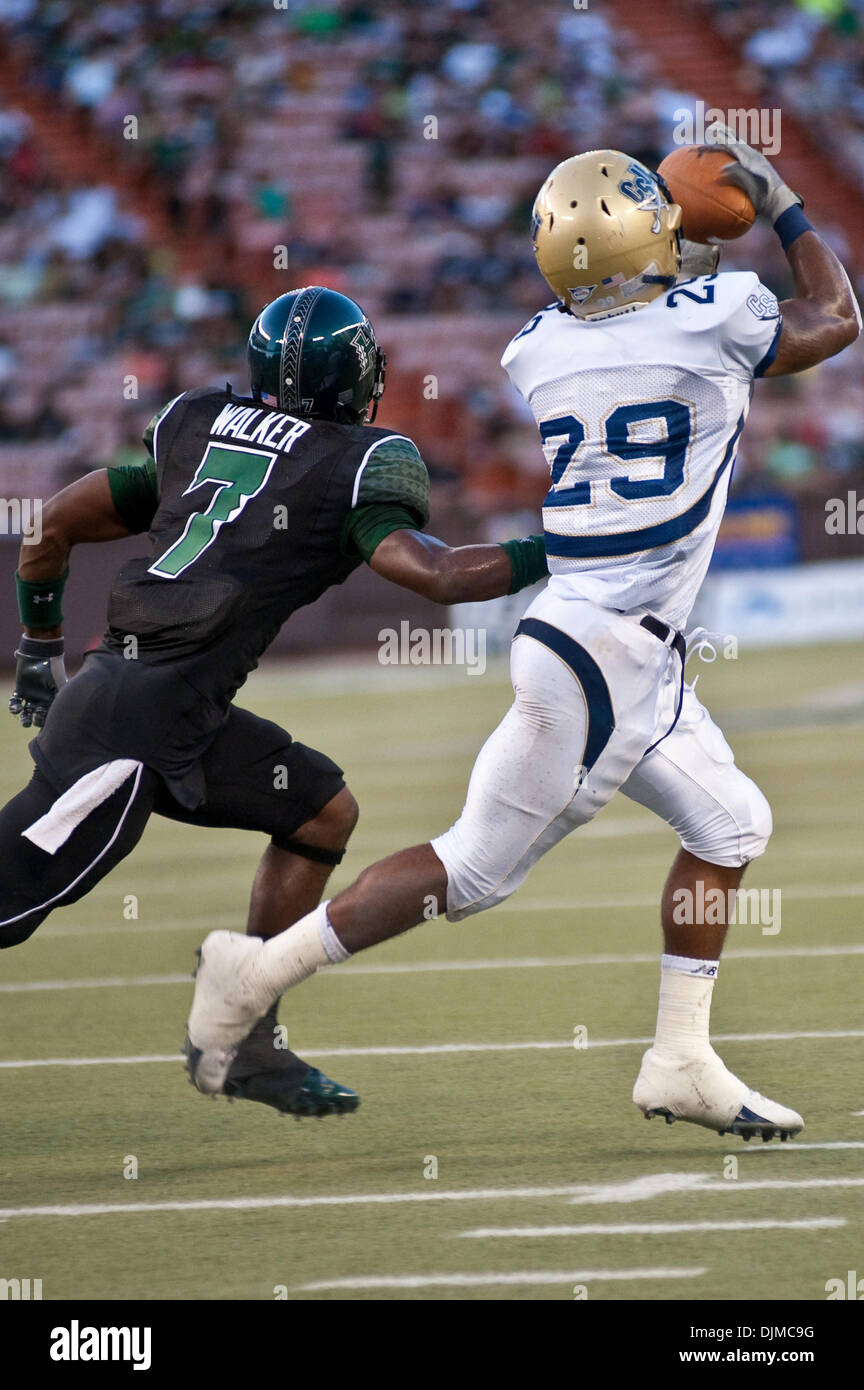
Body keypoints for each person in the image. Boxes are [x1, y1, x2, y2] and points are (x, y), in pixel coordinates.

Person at [186, 126, 860, 1142]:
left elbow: (633, 316)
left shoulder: (535, 348)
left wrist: (671, 256)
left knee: (731, 825)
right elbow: (835, 317)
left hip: (610, 640)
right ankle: (255, 971)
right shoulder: (717, 313)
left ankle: (680, 1057)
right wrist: (778, 203)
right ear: (653, 240)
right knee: (474, 871)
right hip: (607, 650)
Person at [1, 285, 549, 1120]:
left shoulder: (196, 427)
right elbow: (434, 574)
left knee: (320, 811)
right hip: (130, 732)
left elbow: (51, 528)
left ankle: (241, 1035)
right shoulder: (359, 462)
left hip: (158, 706)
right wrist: (569, 546)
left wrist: (39, 649)